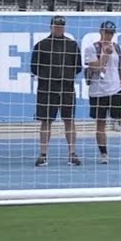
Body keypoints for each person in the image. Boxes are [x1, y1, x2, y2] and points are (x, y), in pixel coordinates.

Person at [32, 14, 82, 167]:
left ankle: (72, 153)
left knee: (69, 120)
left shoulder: (72, 45)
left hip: (66, 88)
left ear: (64, 27)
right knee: (46, 121)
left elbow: (78, 67)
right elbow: (34, 67)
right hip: (47, 89)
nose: (58, 28)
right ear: (51, 26)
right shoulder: (41, 45)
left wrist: (65, 76)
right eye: (56, 26)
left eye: (61, 26)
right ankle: (43, 154)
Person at [83, 20, 121, 164]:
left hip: (115, 90)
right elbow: (96, 67)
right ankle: (104, 154)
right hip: (98, 92)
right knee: (101, 123)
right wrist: (105, 55)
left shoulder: (119, 49)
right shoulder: (91, 48)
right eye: (106, 32)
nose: (109, 35)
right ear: (101, 32)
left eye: (111, 33)